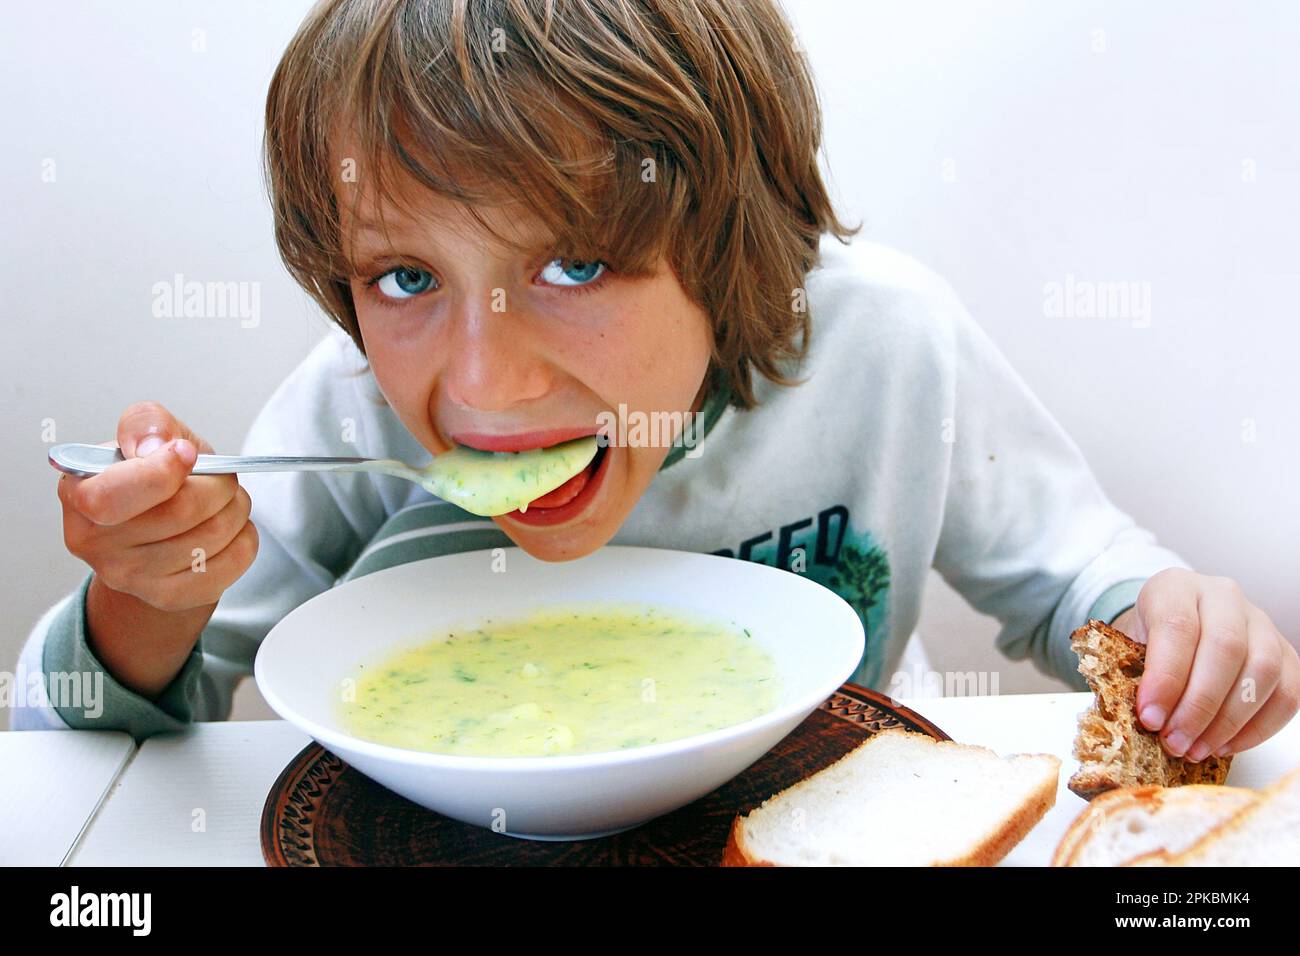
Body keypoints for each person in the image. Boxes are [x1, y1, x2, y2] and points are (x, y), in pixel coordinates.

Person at [14, 0, 1297, 770]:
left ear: (740, 239)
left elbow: (1079, 584)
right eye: (404, 279)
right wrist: (143, 587)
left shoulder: (887, 347)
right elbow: (85, 738)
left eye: (575, 261)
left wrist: (1180, 632)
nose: (482, 383)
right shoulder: (346, 416)